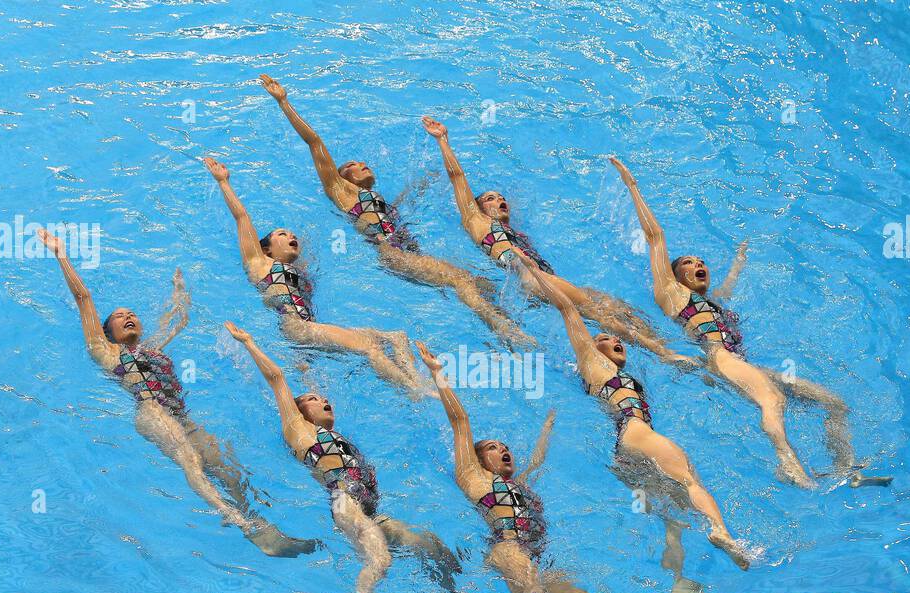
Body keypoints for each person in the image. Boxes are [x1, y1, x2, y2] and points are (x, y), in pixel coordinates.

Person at [416, 341, 696, 593]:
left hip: (537, 563)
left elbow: (536, 461)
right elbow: (460, 421)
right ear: (477, 459)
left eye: (504, 447)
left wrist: (548, 426)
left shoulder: (519, 484)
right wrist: (438, 373)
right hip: (508, 552)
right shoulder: (472, 478)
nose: (502, 450)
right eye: (492, 448)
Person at [610, 157, 892, 489]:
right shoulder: (672, 294)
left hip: (742, 362)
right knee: (772, 400)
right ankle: (785, 461)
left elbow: (728, 285)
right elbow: (656, 236)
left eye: (701, 261)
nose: (698, 264)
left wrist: (739, 259)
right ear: (675, 276)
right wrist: (631, 185)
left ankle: (847, 469)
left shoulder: (714, 301)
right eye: (689, 262)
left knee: (833, 403)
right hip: (720, 358)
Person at [36, 227, 317, 557]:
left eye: (133, 315)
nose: (128, 317)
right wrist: (61, 254)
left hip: (183, 416)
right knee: (191, 463)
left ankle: (259, 521)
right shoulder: (106, 352)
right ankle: (241, 523)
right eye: (119, 317)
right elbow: (84, 299)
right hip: (152, 412)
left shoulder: (153, 347)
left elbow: (178, 319)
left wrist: (180, 291)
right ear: (107, 331)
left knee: (226, 464)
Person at [520, 259, 756, 593]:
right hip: (638, 433)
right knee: (692, 482)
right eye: (602, 338)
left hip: (625, 452)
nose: (612, 340)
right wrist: (535, 271)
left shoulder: (604, 379)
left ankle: (678, 582)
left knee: (673, 523)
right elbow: (568, 309)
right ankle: (722, 532)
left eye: (616, 339)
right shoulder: (592, 363)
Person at [225, 322, 467, 593]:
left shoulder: (328, 433)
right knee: (380, 558)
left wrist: (308, 370)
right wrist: (249, 342)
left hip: (366, 508)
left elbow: (314, 392)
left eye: (324, 399)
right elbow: (277, 379)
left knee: (430, 545)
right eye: (313, 399)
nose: (325, 401)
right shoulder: (299, 430)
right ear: (299, 409)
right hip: (345, 503)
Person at [260, 76, 532, 349]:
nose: (363, 163)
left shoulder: (376, 201)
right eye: (354, 164)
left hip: (408, 251)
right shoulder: (341, 191)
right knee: (461, 280)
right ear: (342, 176)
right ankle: (504, 331)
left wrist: (417, 188)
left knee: (481, 284)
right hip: (394, 254)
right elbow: (315, 142)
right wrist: (284, 102)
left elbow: (390, 217)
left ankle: (501, 330)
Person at [421, 116, 693, 368]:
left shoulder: (512, 230)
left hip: (543, 278)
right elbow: (458, 178)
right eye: (490, 198)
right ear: (478, 207)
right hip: (530, 276)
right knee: (597, 311)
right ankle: (664, 352)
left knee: (612, 305)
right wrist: (443, 140)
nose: (499, 200)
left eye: (501, 197)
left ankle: (667, 339)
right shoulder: (476, 221)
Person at [204, 156, 429, 399]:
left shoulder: (298, 270)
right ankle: (413, 391)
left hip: (309, 329)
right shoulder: (259, 263)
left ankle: (418, 382)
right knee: (369, 346)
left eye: (292, 235)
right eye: (282, 234)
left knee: (397, 337)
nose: (292, 236)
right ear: (266, 248)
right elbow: (242, 217)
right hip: (298, 327)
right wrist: (224, 182)